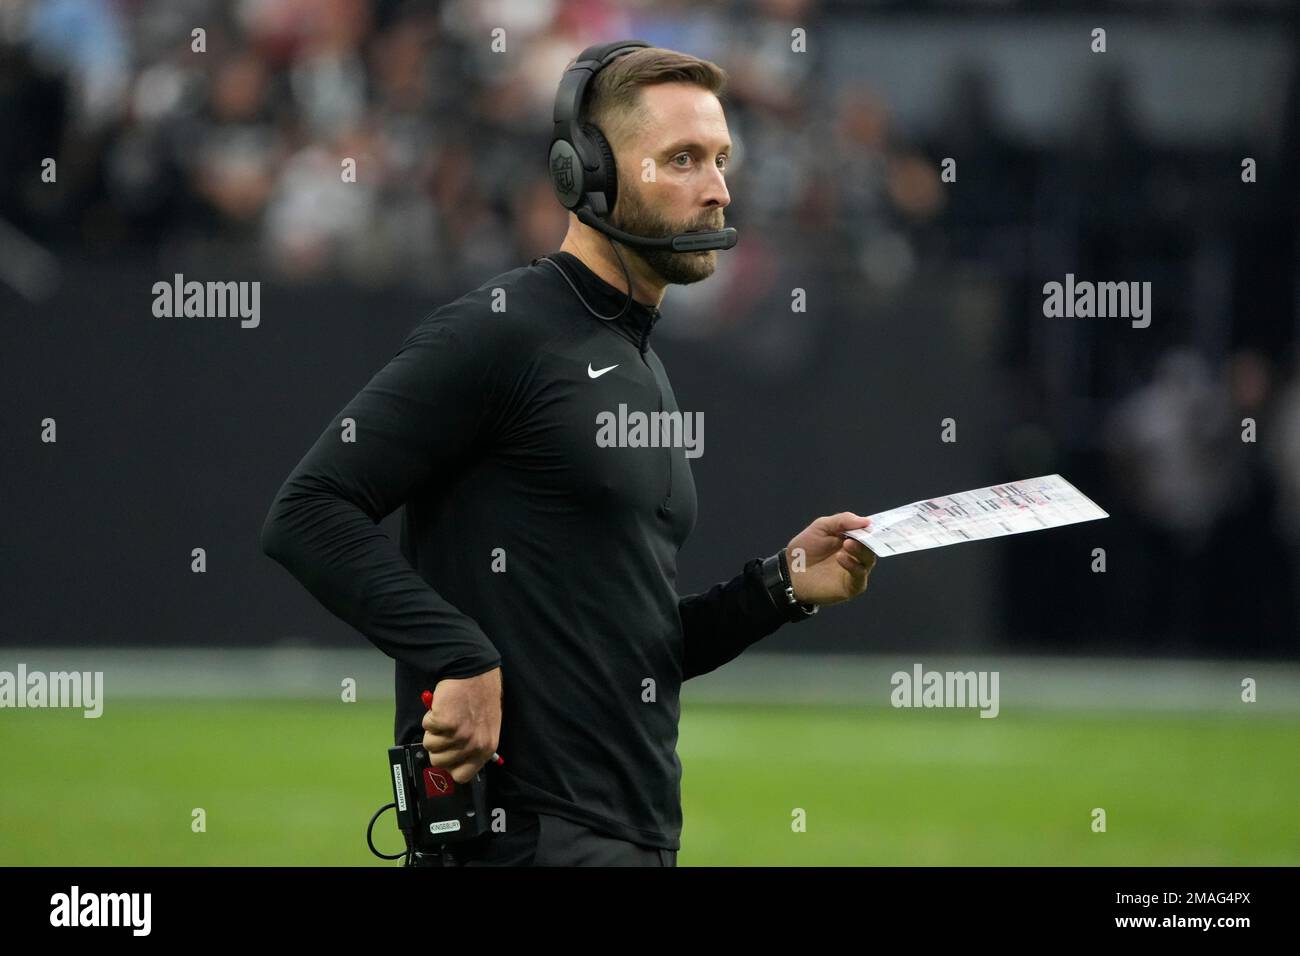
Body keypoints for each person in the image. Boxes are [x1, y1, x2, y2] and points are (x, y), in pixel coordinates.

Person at [259, 42, 877, 867]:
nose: (718, 188)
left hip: (625, 836)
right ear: (584, 172)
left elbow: (636, 647)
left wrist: (779, 588)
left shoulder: (641, 361)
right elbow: (306, 511)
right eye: (683, 159)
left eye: (723, 160)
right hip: (521, 841)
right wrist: (457, 654)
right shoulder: (502, 329)